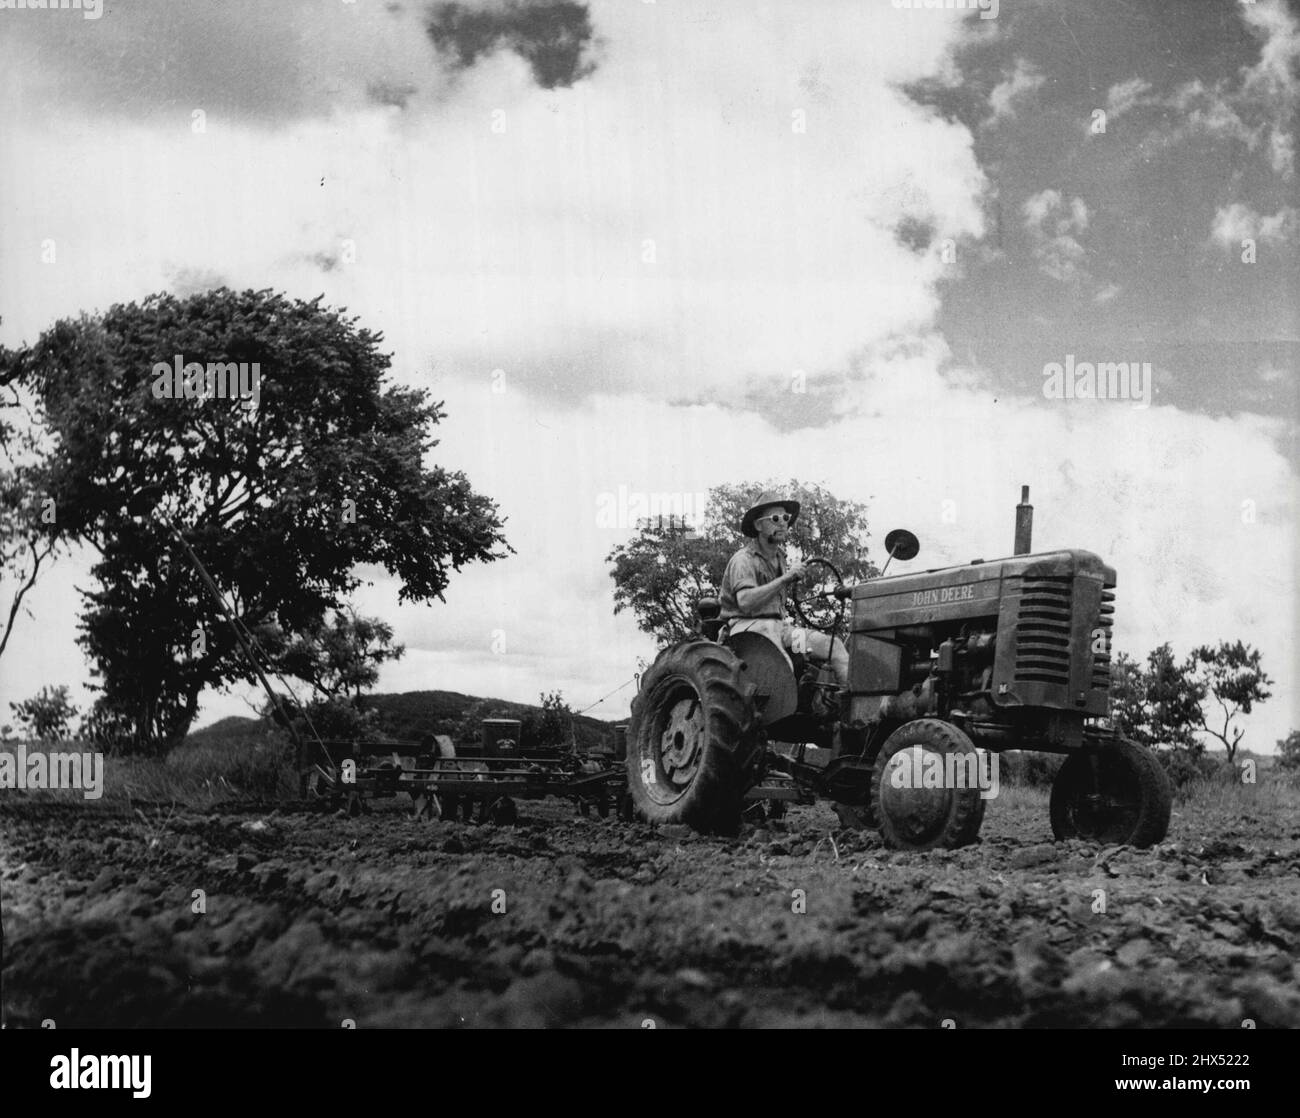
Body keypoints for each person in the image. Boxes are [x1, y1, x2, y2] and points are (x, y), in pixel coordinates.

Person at [718, 492, 849, 691]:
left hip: (779, 629)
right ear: (758, 526)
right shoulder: (743, 559)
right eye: (775, 519)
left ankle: (852, 715)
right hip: (745, 630)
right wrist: (787, 578)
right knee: (783, 663)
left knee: (833, 647)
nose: (782, 524)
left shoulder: (780, 557)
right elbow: (745, 602)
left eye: (786, 519)